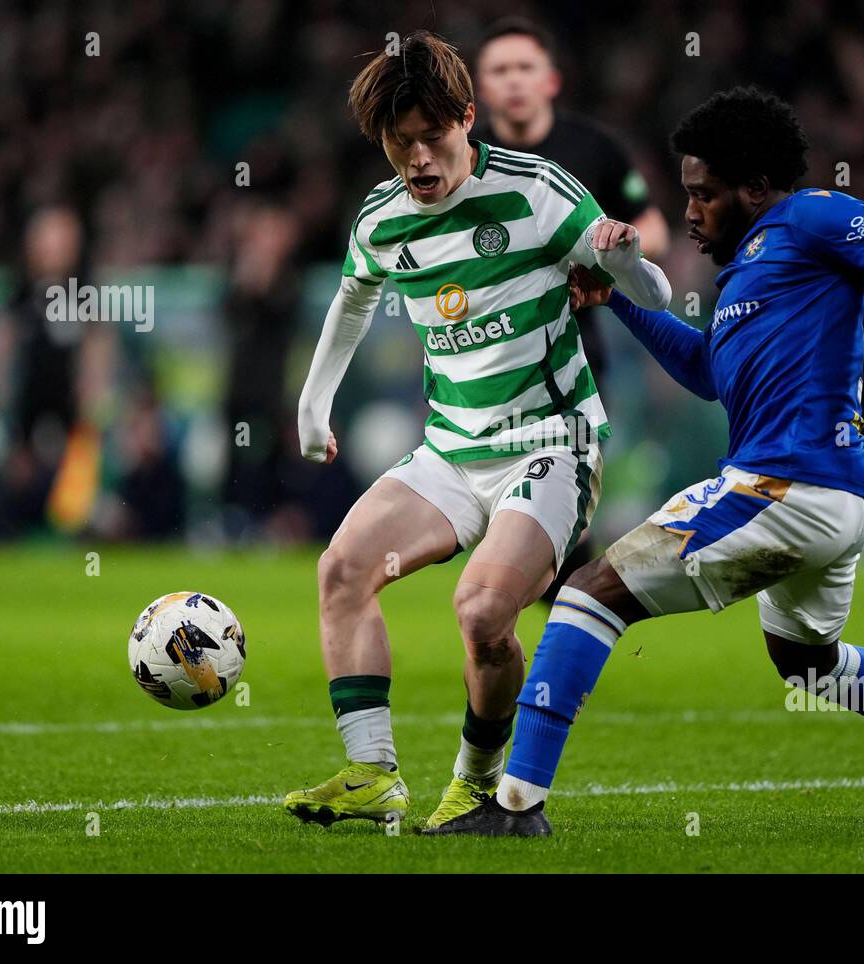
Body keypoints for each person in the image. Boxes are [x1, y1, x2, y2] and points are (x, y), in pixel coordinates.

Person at [427, 87, 864, 837]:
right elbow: (709, 373)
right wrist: (620, 301)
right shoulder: (748, 274)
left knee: (589, 594)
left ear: (758, 187)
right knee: (811, 665)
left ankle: (515, 805)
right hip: (832, 500)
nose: (691, 212)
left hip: (789, 484)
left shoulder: (812, 216)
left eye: (704, 195)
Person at [282, 31, 671, 830]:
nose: (418, 160)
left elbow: (657, 295)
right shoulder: (385, 218)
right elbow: (354, 299)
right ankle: (372, 773)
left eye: (431, 138)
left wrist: (626, 260)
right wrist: (313, 404)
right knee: (342, 571)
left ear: (467, 118)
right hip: (453, 451)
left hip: (551, 445)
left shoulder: (539, 191)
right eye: (399, 146)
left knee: (483, 614)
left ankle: (476, 780)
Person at [473, 16, 670, 602]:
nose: (513, 81)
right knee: (497, 505)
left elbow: (653, 227)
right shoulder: (464, 158)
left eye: (524, 68)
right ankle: (554, 618)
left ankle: (560, 619)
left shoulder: (595, 147)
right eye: (500, 71)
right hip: (484, 356)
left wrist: (612, 252)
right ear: (481, 88)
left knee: (560, 508)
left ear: (551, 80)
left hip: (572, 354)